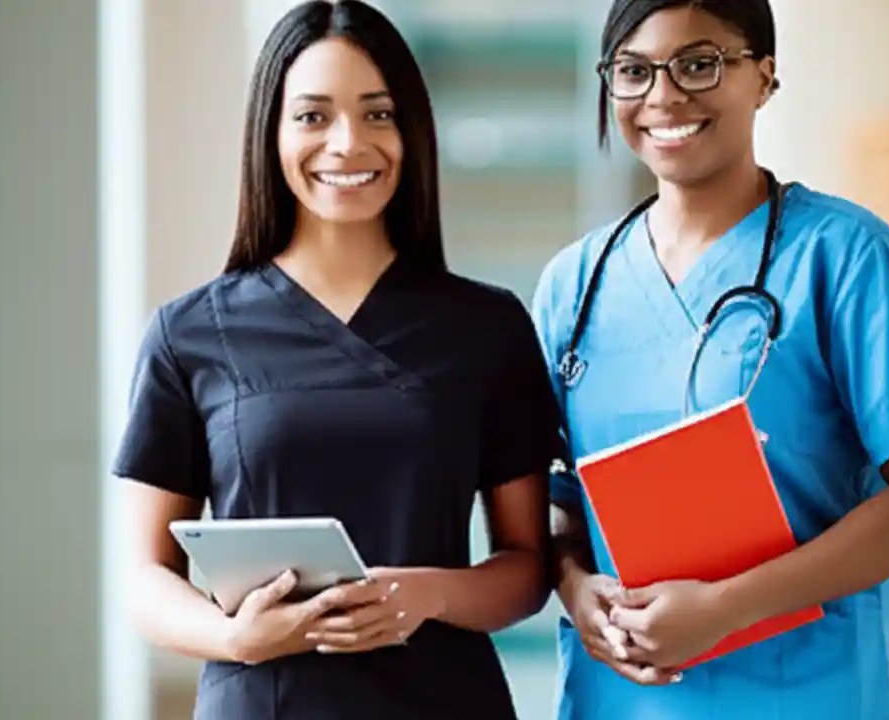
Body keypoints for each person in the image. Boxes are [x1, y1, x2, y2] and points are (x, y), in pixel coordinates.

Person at [111, 2, 562, 717]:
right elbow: (143, 578)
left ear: (412, 131)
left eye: (377, 114)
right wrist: (238, 638)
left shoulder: (488, 327)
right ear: (271, 133)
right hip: (264, 699)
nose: (349, 143)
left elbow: (527, 567)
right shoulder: (189, 332)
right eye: (314, 116)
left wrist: (429, 593)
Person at [533, 1, 889, 718]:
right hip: (622, 698)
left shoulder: (843, 256)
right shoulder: (573, 286)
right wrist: (574, 588)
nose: (664, 95)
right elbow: (551, 502)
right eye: (634, 71)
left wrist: (728, 608)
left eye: (700, 63)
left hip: (809, 693)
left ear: (764, 77)